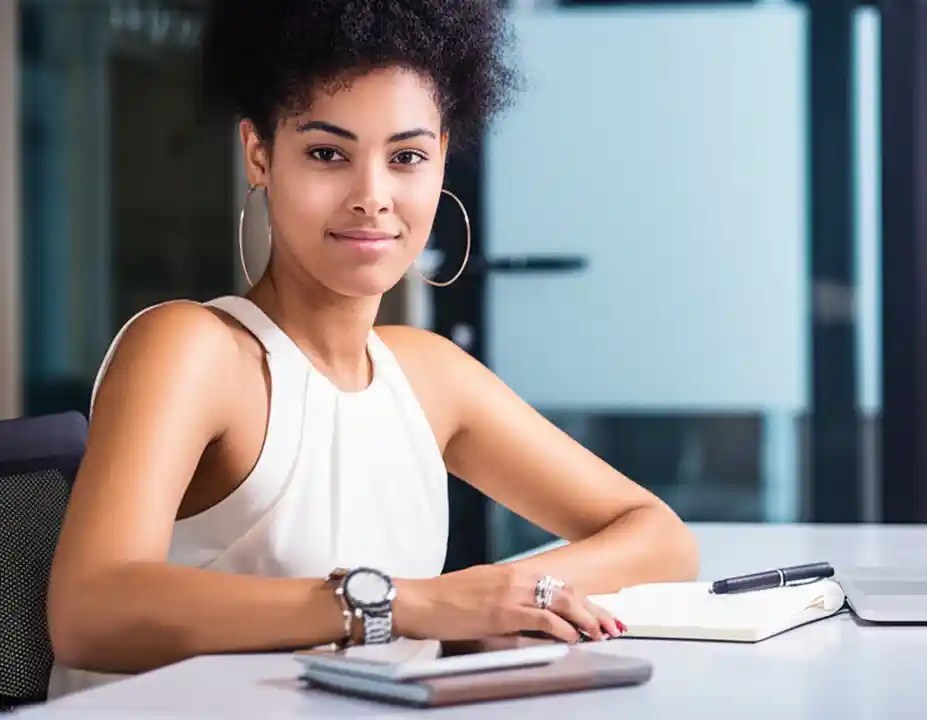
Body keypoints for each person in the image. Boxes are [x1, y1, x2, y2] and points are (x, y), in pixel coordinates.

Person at [45, 0, 698, 693]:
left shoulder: (427, 374)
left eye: (407, 156)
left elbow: (659, 536)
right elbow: (92, 611)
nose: (372, 195)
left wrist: (502, 593)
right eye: (328, 154)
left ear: (442, 158)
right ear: (259, 154)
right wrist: (407, 603)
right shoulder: (193, 350)